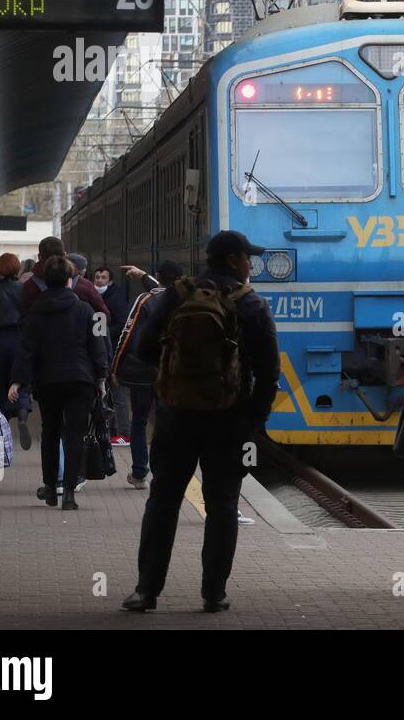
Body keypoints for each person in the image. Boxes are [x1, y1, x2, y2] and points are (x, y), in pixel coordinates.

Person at [121, 230, 279, 613]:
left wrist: (170, 385)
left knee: (163, 500)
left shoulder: (175, 294)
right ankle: (213, 593)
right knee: (222, 505)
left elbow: (142, 348)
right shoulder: (251, 304)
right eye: (247, 258)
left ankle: (146, 591)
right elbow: (268, 373)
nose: (250, 264)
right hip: (228, 421)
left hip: (176, 417)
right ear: (231, 260)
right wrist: (251, 421)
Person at [9, 256, 109, 510]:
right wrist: (101, 377)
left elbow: (27, 348)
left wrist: (18, 381)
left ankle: (51, 489)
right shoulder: (86, 310)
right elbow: (97, 347)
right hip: (80, 380)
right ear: (69, 281)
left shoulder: (36, 312)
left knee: (50, 434)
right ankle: (70, 496)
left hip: (48, 381)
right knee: (74, 436)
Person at [110, 262, 185, 489]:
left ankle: (140, 473)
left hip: (143, 372)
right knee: (170, 423)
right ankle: (167, 472)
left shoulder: (145, 300)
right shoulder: (188, 300)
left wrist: (115, 367)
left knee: (140, 421)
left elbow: (127, 333)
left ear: (158, 276)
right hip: (173, 373)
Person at [0, 254, 31, 450]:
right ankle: (22, 416)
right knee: (21, 381)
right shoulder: (23, 288)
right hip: (19, 338)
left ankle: (2, 432)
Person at [22, 238, 109, 323]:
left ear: (39, 257)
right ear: (64, 255)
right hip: (77, 336)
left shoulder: (29, 286)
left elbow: (25, 318)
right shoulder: (85, 286)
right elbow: (103, 315)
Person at [93, 266, 132, 447]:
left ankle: (124, 432)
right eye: (97, 277)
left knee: (118, 392)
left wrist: (103, 334)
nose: (99, 280)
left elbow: (121, 322)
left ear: (110, 281)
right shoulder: (97, 296)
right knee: (108, 392)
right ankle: (112, 429)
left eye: (103, 277)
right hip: (105, 349)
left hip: (116, 351)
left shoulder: (115, 298)